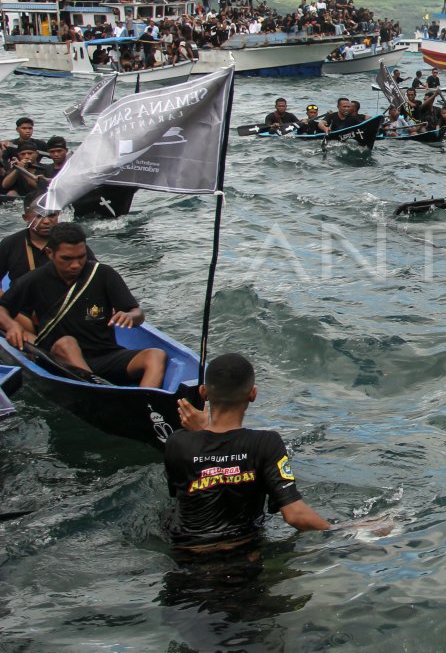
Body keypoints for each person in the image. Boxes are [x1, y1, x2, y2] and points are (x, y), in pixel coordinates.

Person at [165, 353, 330, 552]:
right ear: (253, 394)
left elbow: (189, 492)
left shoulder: (177, 442)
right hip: (243, 560)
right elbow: (295, 515)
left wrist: (201, 432)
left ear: (203, 392)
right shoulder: (266, 443)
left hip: (186, 563)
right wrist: (344, 530)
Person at [0, 222, 166, 386]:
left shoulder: (103, 274)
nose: (75, 265)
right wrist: (12, 326)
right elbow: (2, 308)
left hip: (106, 353)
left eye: (81, 257)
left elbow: (137, 313)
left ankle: (144, 402)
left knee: (156, 355)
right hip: (61, 358)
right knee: (67, 343)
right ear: (50, 253)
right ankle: (98, 389)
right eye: (67, 259)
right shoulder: (34, 280)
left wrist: (130, 316)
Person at [0, 194, 75, 291]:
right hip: (21, 303)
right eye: (39, 216)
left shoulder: (71, 241)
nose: (46, 221)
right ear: (26, 217)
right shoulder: (10, 244)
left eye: (51, 215)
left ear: (58, 215)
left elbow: (93, 274)